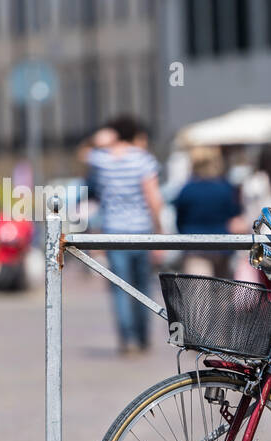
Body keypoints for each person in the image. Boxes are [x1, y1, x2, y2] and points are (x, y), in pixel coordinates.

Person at [85, 114, 165, 355]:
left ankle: (127, 339)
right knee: (143, 286)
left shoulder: (101, 159)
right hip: (141, 230)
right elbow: (153, 199)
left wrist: (100, 140)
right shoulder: (143, 160)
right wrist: (159, 230)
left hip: (114, 231)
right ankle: (142, 336)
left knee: (120, 287)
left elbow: (83, 152)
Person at [172, 147, 242, 279]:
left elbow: (179, 219)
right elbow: (234, 215)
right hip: (223, 246)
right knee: (222, 294)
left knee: (199, 295)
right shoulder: (226, 188)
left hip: (195, 245)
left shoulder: (187, 190)